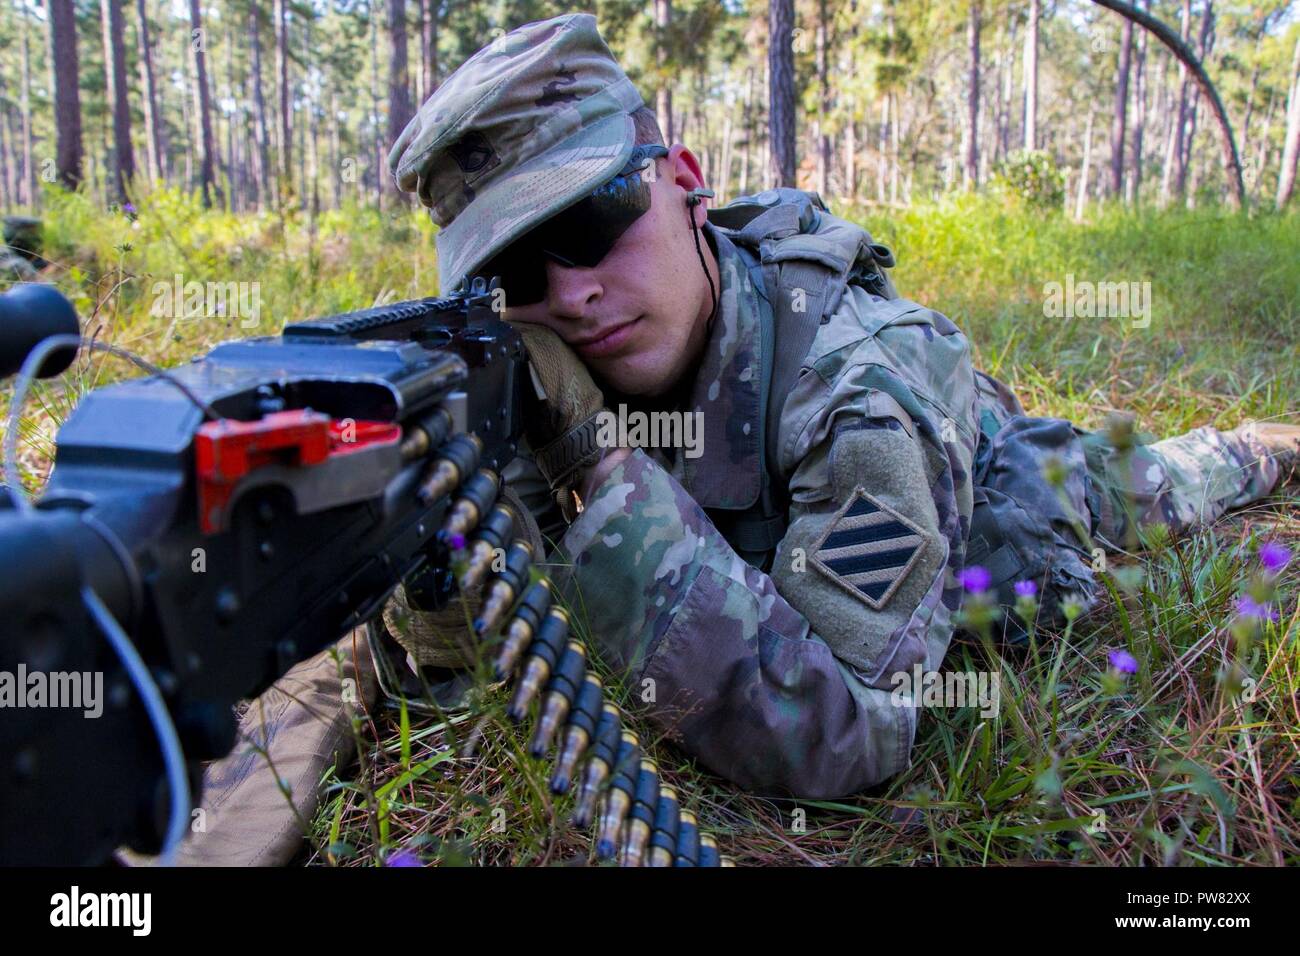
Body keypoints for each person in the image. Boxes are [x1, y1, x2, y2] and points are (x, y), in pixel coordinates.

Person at [155, 13, 1296, 863]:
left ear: (682, 180)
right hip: (753, 530)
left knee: (1136, 488)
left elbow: (850, 734)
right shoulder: (519, 361)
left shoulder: (862, 387)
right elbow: (435, 647)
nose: (573, 291)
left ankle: (1261, 441)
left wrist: (595, 464)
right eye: (514, 269)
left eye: (594, 220)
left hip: (999, 472)